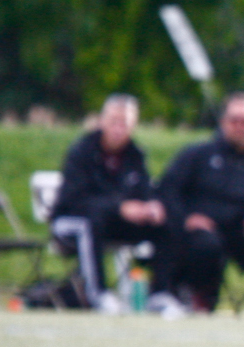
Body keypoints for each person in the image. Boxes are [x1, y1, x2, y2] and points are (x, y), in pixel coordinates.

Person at [156, 92, 244, 315]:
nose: (239, 126)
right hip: (199, 230)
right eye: (234, 120)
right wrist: (187, 217)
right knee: (207, 244)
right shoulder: (196, 154)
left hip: (239, 230)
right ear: (222, 122)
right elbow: (169, 190)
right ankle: (199, 296)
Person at [50, 93, 177, 314]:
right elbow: (74, 200)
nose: (119, 128)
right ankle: (98, 294)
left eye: (125, 123)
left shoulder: (136, 154)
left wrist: (151, 206)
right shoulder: (82, 152)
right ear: (102, 121)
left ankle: (160, 294)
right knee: (90, 224)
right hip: (70, 220)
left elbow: (144, 191)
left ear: (133, 125)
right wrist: (118, 207)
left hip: (114, 222)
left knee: (166, 221)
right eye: (114, 121)